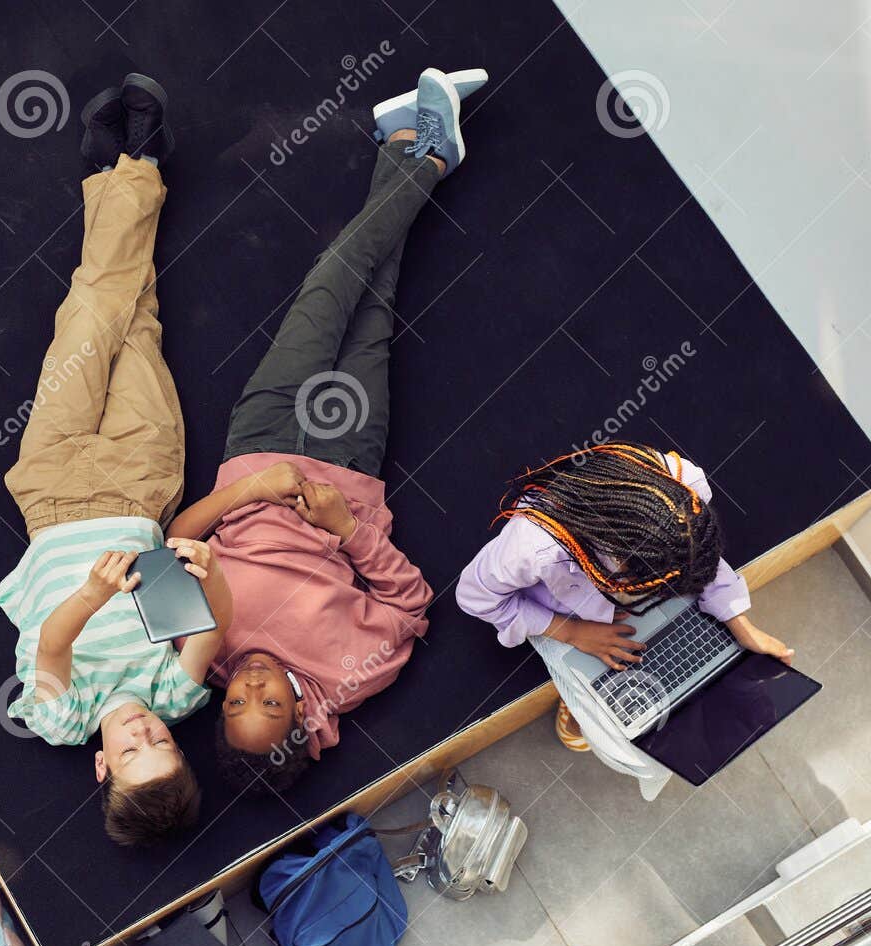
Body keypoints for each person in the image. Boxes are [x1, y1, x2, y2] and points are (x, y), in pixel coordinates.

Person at [167, 67, 487, 794]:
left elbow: (175, 540)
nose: (251, 685)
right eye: (270, 704)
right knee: (374, 306)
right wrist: (346, 527)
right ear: (301, 721)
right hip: (346, 464)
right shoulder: (350, 676)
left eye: (238, 704)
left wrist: (253, 489)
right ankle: (401, 142)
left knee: (328, 286)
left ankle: (430, 157)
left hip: (258, 446)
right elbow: (411, 605)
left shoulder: (197, 655)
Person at [0, 73, 231, 847]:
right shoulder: (176, 696)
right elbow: (215, 629)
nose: (143, 731)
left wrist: (94, 593)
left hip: (53, 493)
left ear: (101, 767)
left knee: (90, 319)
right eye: (160, 744)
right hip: (139, 482)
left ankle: (133, 167)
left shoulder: (60, 721)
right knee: (136, 325)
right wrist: (208, 573)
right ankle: (126, 167)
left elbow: (53, 647)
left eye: (130, 752)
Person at [456, 442, 794, 800]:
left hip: (620, 590)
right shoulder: (532, 549)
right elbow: (474, 595)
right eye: (642, 589)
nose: (658, 597)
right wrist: (571, 632)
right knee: (630, 747)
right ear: (615, 565)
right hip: (562, 615)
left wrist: (741, 625)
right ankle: (580, 702)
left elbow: (700, 560)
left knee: (703, 700)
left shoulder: (686, 486)